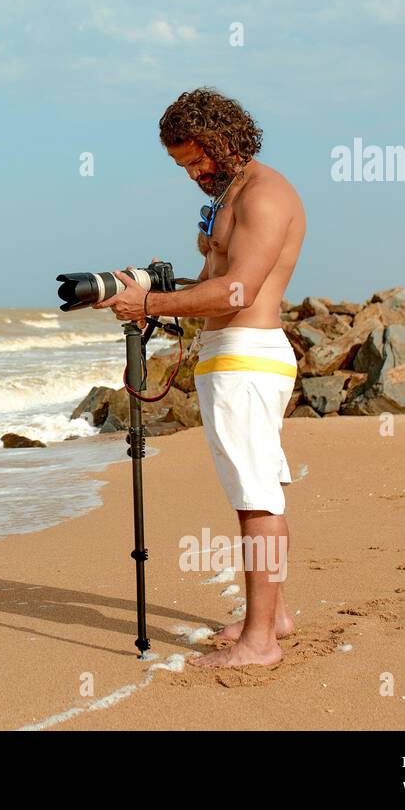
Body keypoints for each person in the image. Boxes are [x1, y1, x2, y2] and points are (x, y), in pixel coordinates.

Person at [96, 87, 306, 669]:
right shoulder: (234, 192)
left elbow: (239, 290)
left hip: (247, 356)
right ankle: (275, 616)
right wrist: (140, 290)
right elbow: (217, 278)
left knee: (254, 498)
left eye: (195, 160)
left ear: (223, 140)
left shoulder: (264, 194)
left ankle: (260, 643)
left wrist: (151, 303)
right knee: (259, 488)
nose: (191, 174)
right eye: (182, 165)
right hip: (231, 353)